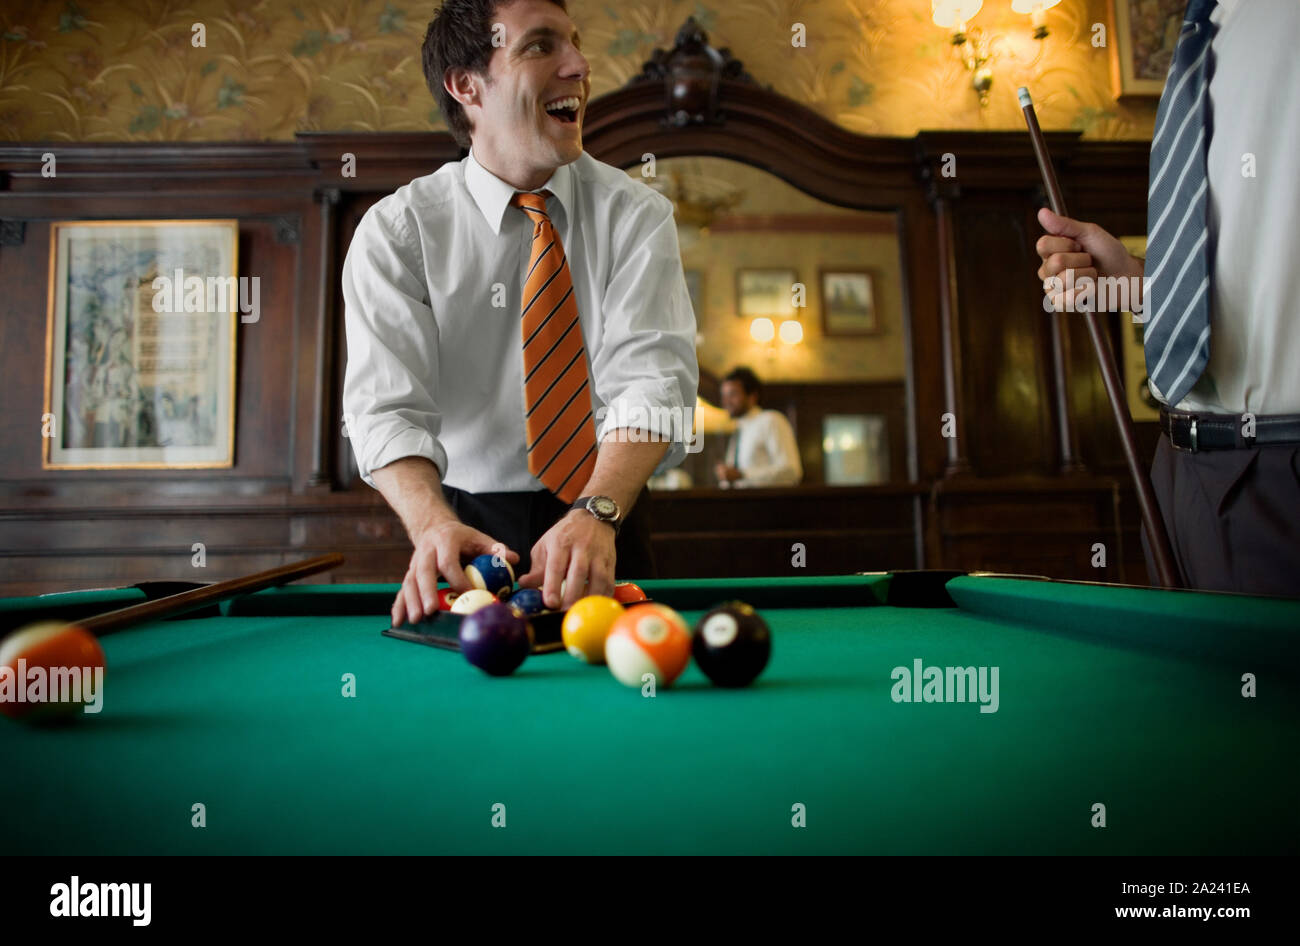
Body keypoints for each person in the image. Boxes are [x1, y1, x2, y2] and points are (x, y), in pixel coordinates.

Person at [341, 0, 698, 624]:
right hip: (459, 526)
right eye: (541, 47)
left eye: (576, 44)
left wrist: (597, 512)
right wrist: (430, 525)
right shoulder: (396, 232)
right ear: (465, 84)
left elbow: (652, 384)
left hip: (607, 515)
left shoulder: (638, 217)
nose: (581, 66)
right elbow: (384, 410)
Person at [1035, 0, 1299, 596]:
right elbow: (1256, 265)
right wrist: (1133, 279)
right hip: (1180, 471)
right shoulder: (1209, 25)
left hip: (1281, 466)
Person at [713, 367, 802, 488]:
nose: (726, 401)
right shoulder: (738, 431)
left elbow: (791, 471)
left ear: (752, 396)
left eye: (732, 394)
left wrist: (742, 474)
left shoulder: (771, 420)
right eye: (724, 395)